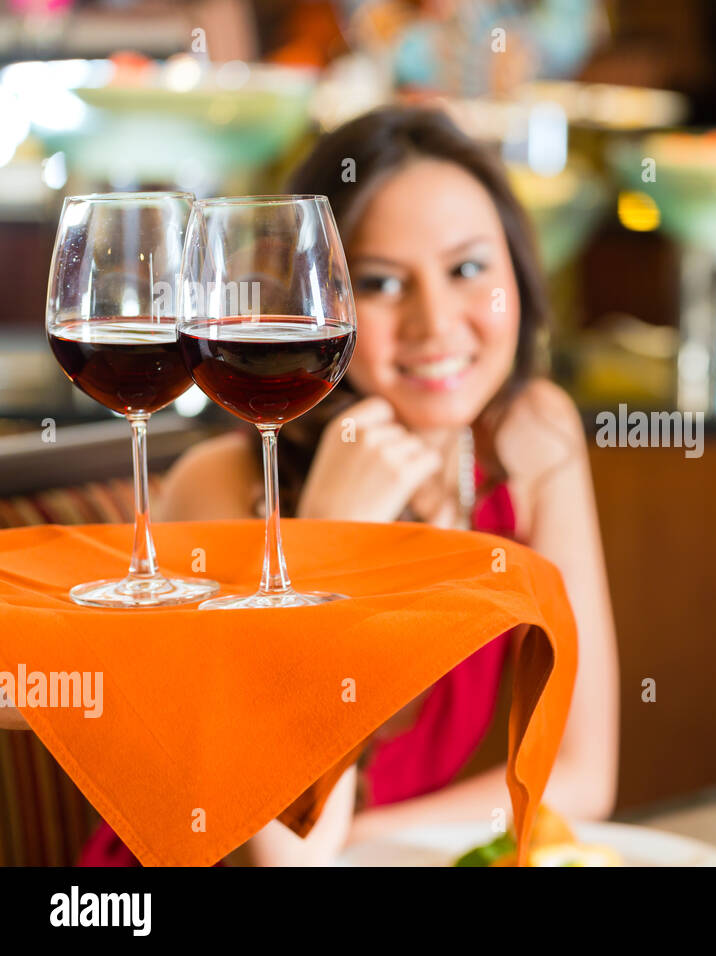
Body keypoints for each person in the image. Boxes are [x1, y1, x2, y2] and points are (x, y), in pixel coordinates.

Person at [80, 106, 620, 866]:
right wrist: (326, 538)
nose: (436, 323)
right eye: (379, 282)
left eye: (468, 269)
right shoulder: (221, 488)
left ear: (520, 275)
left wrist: (372, 845)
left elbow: (578, 775)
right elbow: (277, 853)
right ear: (310, 296)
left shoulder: (536, 435)